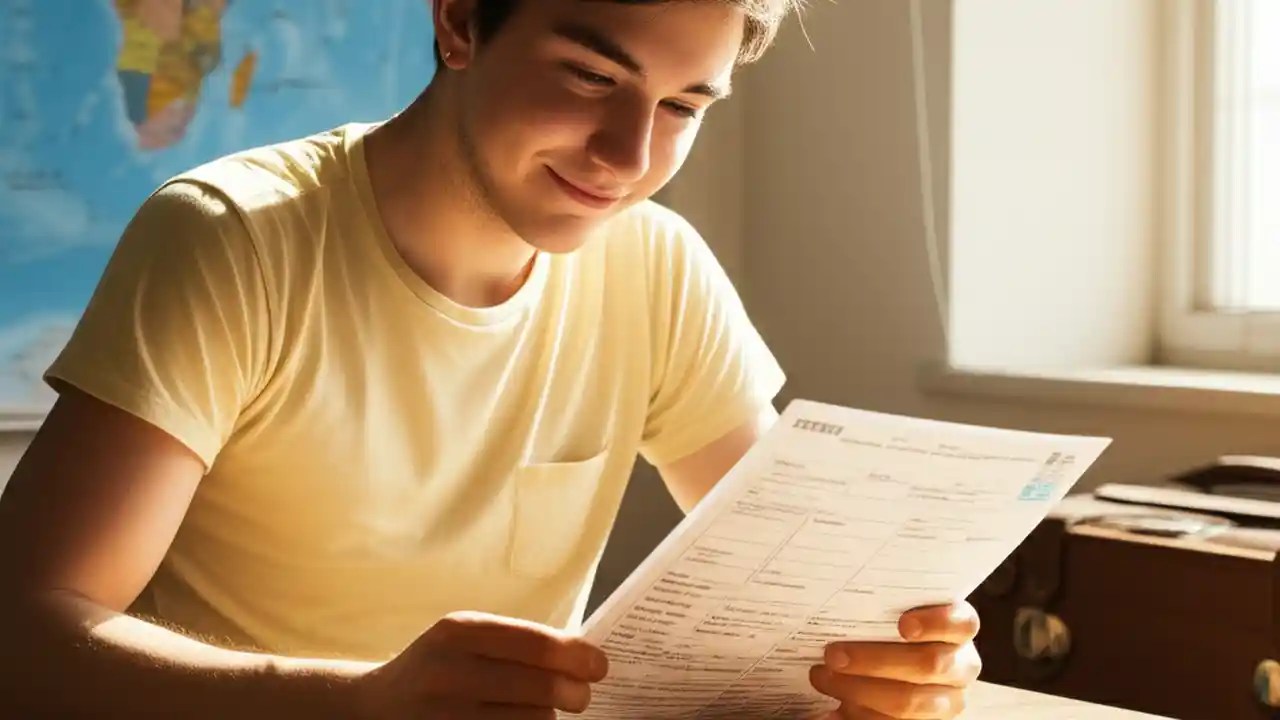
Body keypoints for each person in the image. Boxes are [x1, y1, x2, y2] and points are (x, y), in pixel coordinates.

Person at [0, 0, 982, 717]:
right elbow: (24, 637)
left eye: (683, 106)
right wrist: (353, 705)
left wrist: (894, 660)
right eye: (591, 78)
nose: (626, 157)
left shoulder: (655, 263)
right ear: (459, 22)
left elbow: (796, 592)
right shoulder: (231, 238)